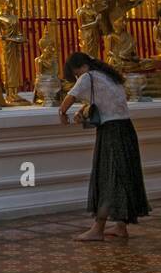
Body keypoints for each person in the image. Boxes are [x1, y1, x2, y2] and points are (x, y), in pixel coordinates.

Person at [59, 51, 150, 242]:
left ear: (79, 68)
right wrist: (84, 111)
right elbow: (106, 102)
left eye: (75, 74)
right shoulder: (110, 76)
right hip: (126, 129)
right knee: (123, 176)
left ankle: (98, 228)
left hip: (111, 133)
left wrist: (62, 113)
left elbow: (70, 98)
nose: (77, 77)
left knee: (107, 177)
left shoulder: (87, 76)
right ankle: (120, 226)